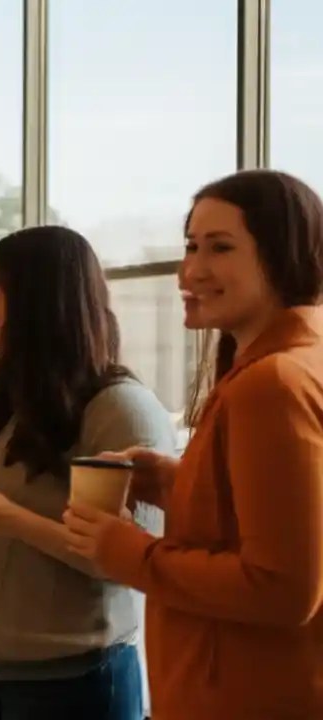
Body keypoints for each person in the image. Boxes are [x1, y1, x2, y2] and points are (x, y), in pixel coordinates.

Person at [65, 170, 323, 719]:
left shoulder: (272, 383)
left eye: (220, 248)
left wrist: (126, 551)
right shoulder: (292, 365)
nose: (190, 271)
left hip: (245, 694)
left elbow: (283, 589)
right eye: (190, 246)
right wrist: (171, 481)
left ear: (283, 255)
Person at [0, 226, 174, 720]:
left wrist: (10, 519)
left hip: (72, 683)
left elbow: (138, 560)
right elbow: (4, 526)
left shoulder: (120, 409)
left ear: (39, 298)